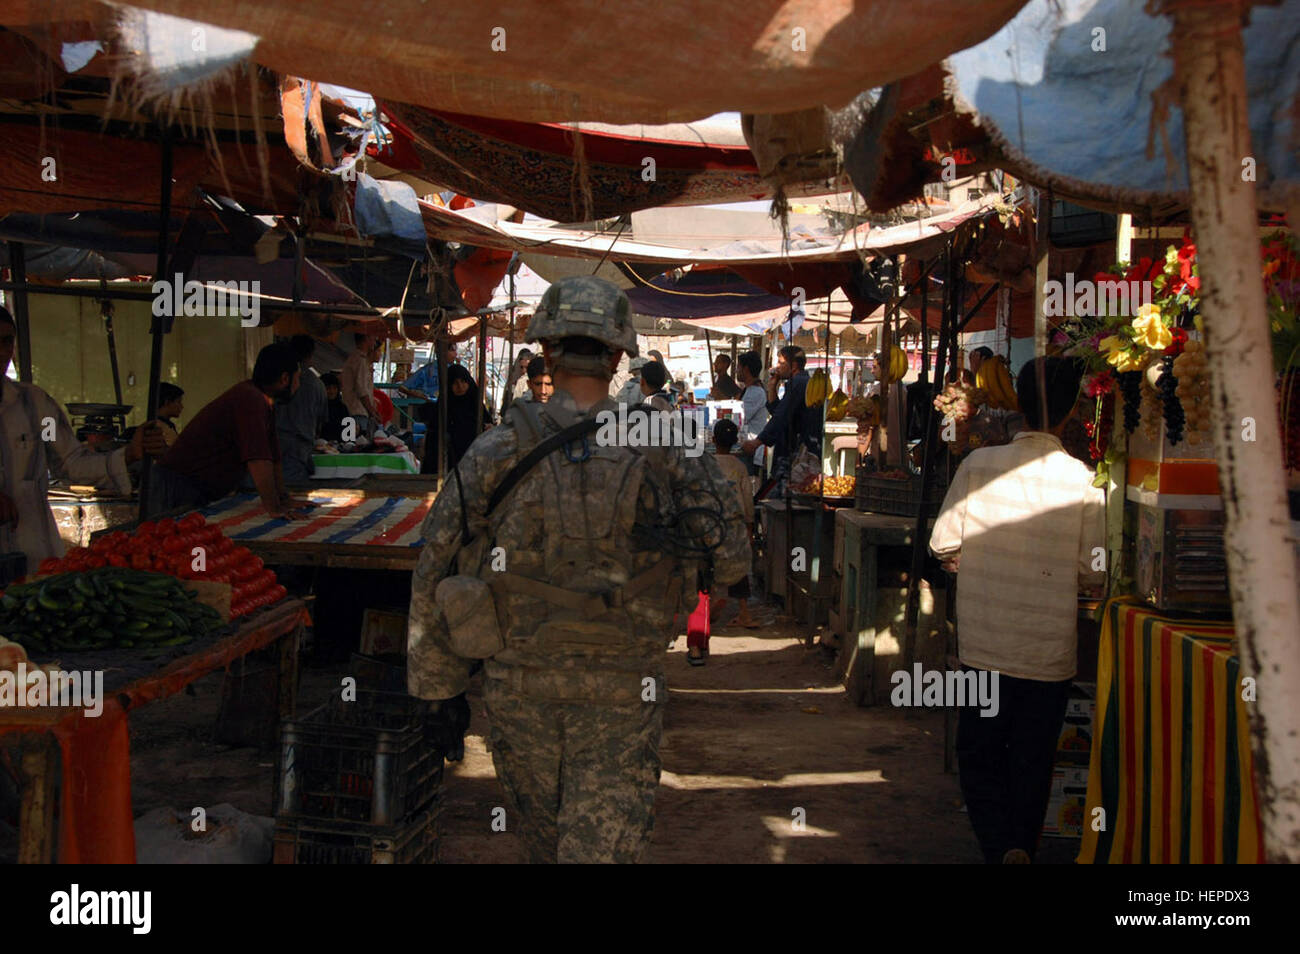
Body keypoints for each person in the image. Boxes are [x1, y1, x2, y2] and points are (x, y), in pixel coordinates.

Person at [406, 275, 748, 863]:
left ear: (545, 351)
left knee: (547, 847)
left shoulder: (495, 449)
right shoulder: (668, 444)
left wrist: (437, 691)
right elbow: (733, 559)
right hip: (624, 688)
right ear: (618, 354)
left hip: (519, 690)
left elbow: (435, 563)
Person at [929, 356, 1105, 865]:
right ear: (1072, 410)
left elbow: (943, 543)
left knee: (979, 756)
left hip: (985, 647)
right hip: (1047, 655)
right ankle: (1020, 847)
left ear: (1018, 404)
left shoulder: (977, 466)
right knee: (1033, 760)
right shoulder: (1083, 481)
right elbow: (1094, 571)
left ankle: (999, 845)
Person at [0, 307, 161, 568]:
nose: (1, 352)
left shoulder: (35, 406)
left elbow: (70, 463)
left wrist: (130, 453)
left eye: (7, 341)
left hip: (36, 557)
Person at [148, 342, 304, 518]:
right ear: (284, 379)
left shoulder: (263, 401)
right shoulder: (250, 399)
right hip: (176, 487)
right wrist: (274, 508)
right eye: (297, 378)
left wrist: (283, 499)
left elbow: (273, 456)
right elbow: (259, 459)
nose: (298, 385)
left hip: (194, 487)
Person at [686, 418, 757, 663]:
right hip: (733, 525)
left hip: (707, 524)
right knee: (737, 569)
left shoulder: (703, 464)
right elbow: (747, 501)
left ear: (712, 441)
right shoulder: (739, 467)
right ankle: (744, 612)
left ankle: (703, 623)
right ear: (736, 441)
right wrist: (749, 526)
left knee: (704, 575)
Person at [739, 345, 819, 491]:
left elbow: (780, 418)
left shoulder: (799, 383)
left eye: (781, 363)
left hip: (795, 451)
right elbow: (777, 410)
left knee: (784, 492)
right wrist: (772, 386)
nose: (777, 367)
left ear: (793, 365)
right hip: (791, 447)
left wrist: (757, 442)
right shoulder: (795, 383)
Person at [275, 335, 328, 484]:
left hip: (278, 447)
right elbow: (320, 423)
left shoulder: (279, 378)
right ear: (311, 355)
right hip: (298, 450)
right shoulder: (317, 385)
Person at [420, 363, 488, 474]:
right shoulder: (443, 409)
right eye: (455, 383)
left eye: (463, 382)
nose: (460, 387)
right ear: (448, 385)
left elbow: (487, 424)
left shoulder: (475, 403)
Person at [341, 333, 380, 441]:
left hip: (355, 411)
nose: (375, 341)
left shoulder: (356, 359)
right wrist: (372, 411)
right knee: (357, 444)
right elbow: (361, 390)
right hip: (357, 412)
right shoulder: (359, 360)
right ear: (366, 338)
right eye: (373, 337)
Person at [735, 350, 768, 477]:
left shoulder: (755, 392)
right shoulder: (748, 390)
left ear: (746, 369)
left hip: (750, 450)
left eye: (738, 367)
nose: (737, 371)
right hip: (745, 448)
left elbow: (740, 418)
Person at [400, 339, 458, 404]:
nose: (455, 354)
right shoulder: (427, 370)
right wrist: (423, 397)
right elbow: (404, 388)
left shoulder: (455, 370)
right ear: (442, 352)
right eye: (452, 350)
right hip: (431, 407)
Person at [320, 372, 348, 442]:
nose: (332, 391)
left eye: (335, 388)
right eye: (328, 388)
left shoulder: (342, 407)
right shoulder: (317, 407)